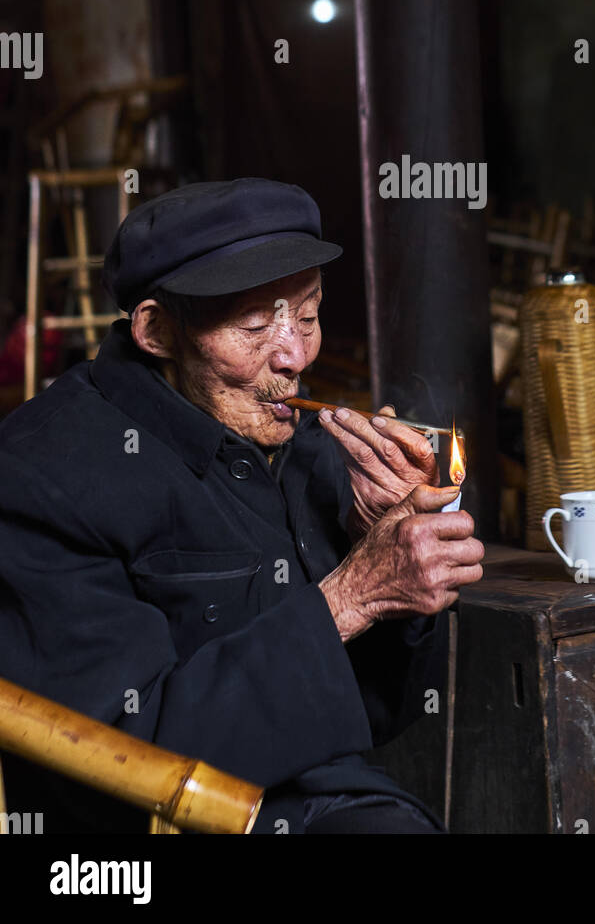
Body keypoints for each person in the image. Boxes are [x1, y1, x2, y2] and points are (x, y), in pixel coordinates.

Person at [0, 179, 484, 834]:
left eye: (308, 315)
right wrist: (348, 598)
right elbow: (118, 756)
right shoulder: (41, 475)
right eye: (256, 326)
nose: (295, 356)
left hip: (337, 798)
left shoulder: (304, 450)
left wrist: (386, 563)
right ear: (156, 329)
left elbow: (374, 713)